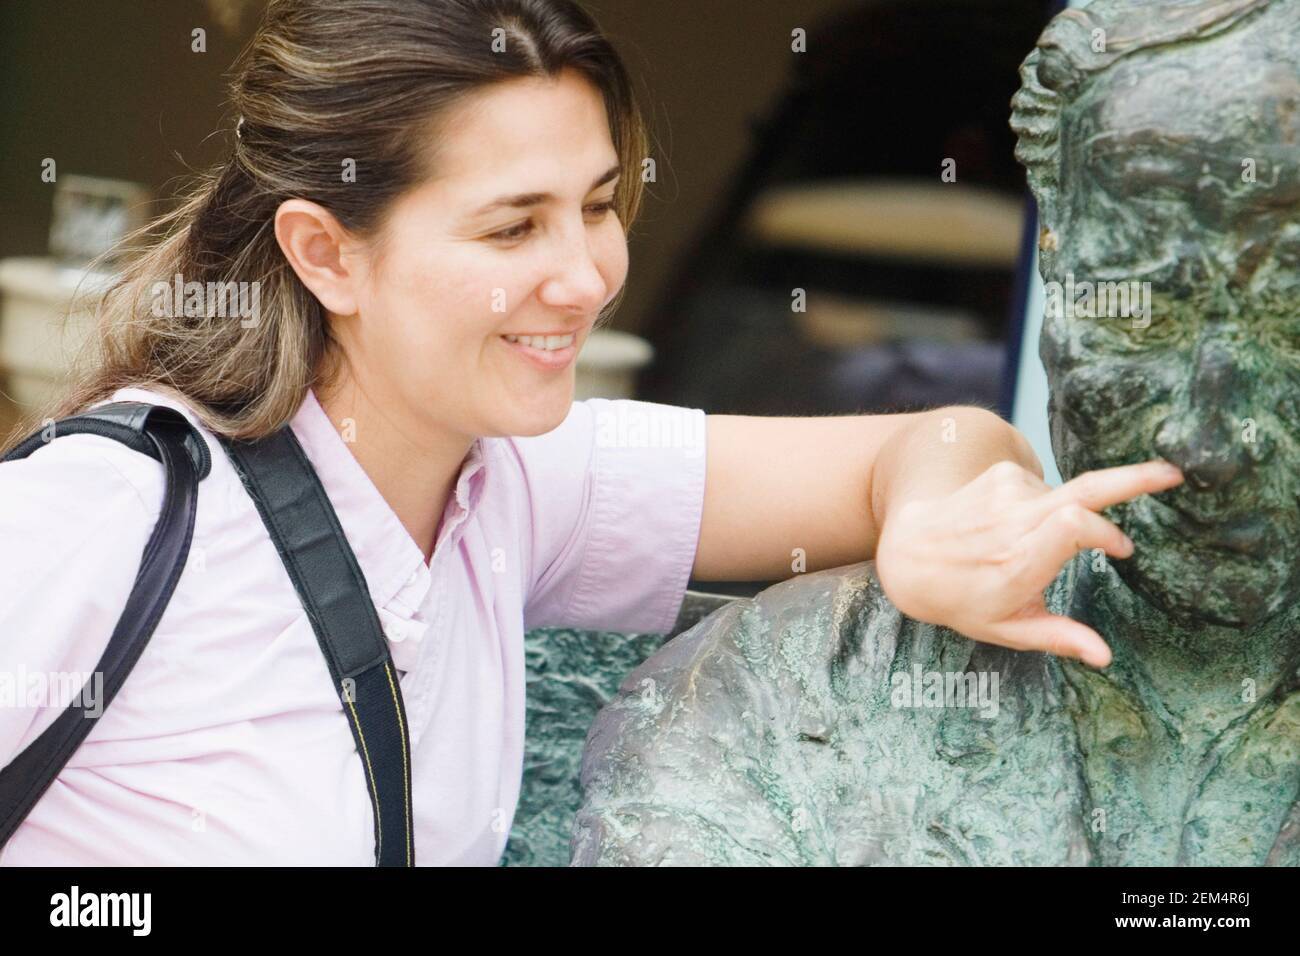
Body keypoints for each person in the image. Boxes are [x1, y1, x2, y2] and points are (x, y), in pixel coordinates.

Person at [0, 0, 1179, 866]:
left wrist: (926, 532)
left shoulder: (515, 483)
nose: (583, 277)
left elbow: (944, 441)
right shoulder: (108, 515)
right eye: (513, 229)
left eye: (599, 206)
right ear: (326, 252)